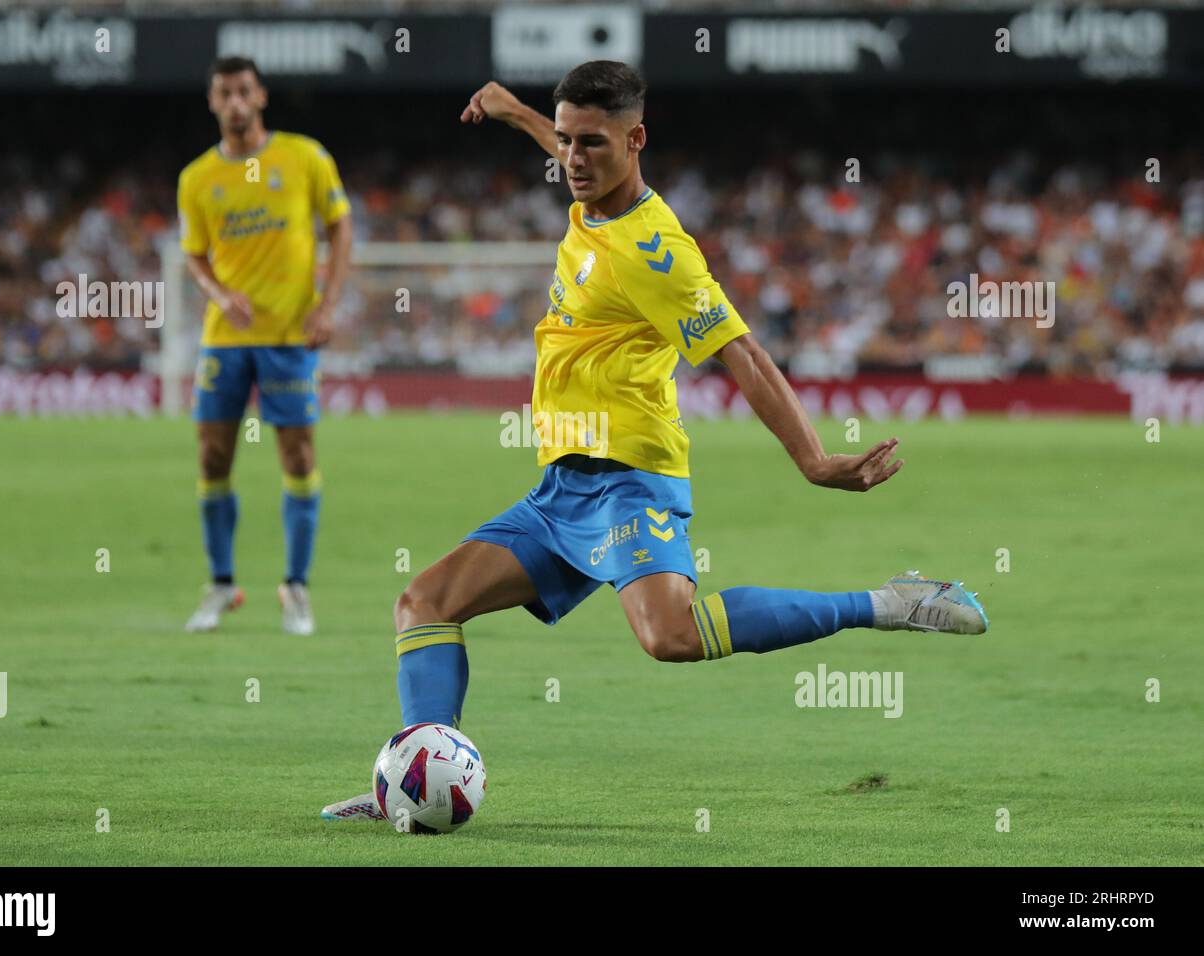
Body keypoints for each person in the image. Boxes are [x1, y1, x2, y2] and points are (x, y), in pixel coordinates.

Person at [321, 62, 987, 822]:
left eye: (592, 144)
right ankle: (414, 778)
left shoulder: (657, 252)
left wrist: (813, 460)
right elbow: (570, 149)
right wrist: (516, 115)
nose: (572, 158)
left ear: (636, 141)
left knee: (670, 635)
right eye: (565, 140)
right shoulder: (590, 195)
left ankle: (890, 602)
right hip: (563, 485)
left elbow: (743, 351)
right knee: (424, 602)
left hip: (630, 475)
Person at [177, 56, 353, 635]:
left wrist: (327, 306)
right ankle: (221, 584)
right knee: (211, 457)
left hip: (289, 336)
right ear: (211, 101)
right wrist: (219, 293)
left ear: (261, 97)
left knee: (298, 456)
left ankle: (296, 586)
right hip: (225, 339)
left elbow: (340, 226)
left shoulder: (304, 157)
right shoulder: (197, 178)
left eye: (243, 91)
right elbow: (194, 254)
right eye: (224, 92)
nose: (234, 102)